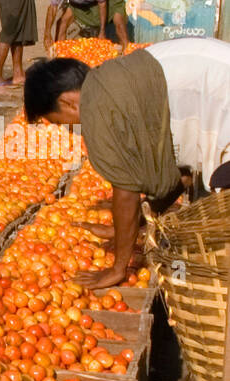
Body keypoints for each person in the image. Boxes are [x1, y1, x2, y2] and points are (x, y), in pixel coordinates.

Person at [24, 39, 230, 289]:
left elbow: (125, 194)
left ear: (68, 102)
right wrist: (132, 225)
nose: (66, 129)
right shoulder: (110, 82)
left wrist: (117, 268)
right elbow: (180, 177)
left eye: (57, 122)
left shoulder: (97, 108)